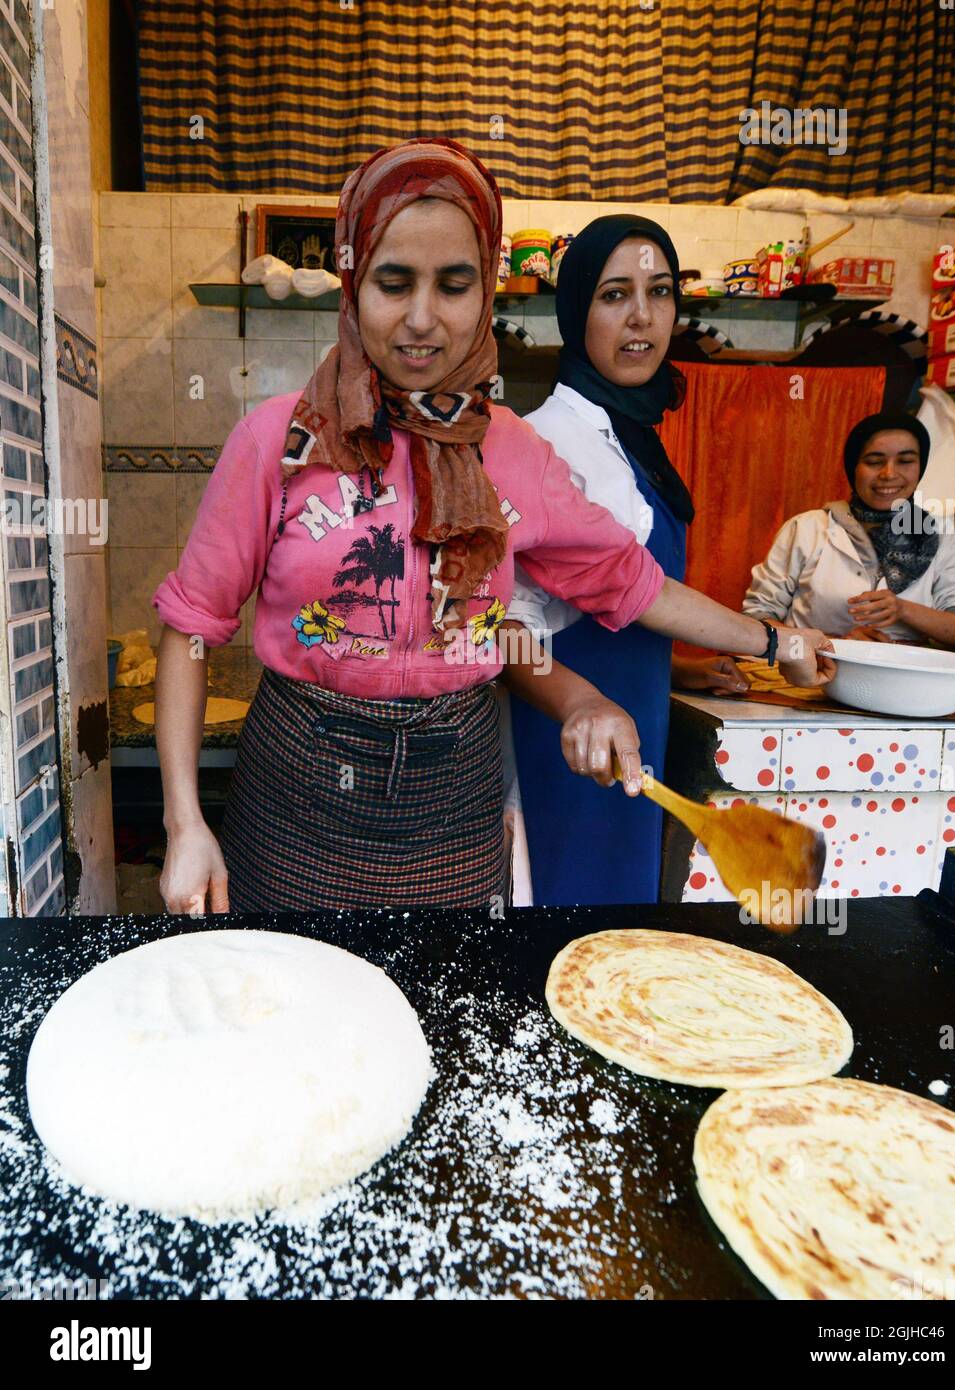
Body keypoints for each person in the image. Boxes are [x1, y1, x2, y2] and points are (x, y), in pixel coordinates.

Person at [152, 138, 832, 916]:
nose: (420, 318)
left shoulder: (514, 451)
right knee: (298, 1011)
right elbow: (189, 626)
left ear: (487, 294)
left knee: (450, 1017)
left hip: (456, 810)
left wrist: (774, 642)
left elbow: (632, 585)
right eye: (393, 282)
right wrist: (184, 824)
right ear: (353, 284)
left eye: (453, 285)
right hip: (298, 801)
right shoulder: (278, 439)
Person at [499, 215, 746, 907]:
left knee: (618, 935)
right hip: (572, 752)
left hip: (636, 734)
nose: (641, 316)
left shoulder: (630, 435)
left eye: (659, 290)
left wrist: (680, 663)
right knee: (570, 936)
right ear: (576, 311)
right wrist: (583, 701)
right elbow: (505, 633)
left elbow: (607, 606)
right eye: (613, 295)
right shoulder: (547, 442)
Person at [743, 411, 955, 647]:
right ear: (853, 468)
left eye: (905, 461)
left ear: (920, 467)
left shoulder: (941, 534)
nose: (889, 474)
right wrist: (833, 646)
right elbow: (756, 618)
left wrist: (902, 609)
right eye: (874, 461)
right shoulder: (807, 528)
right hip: (809, 674)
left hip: (901, 680)